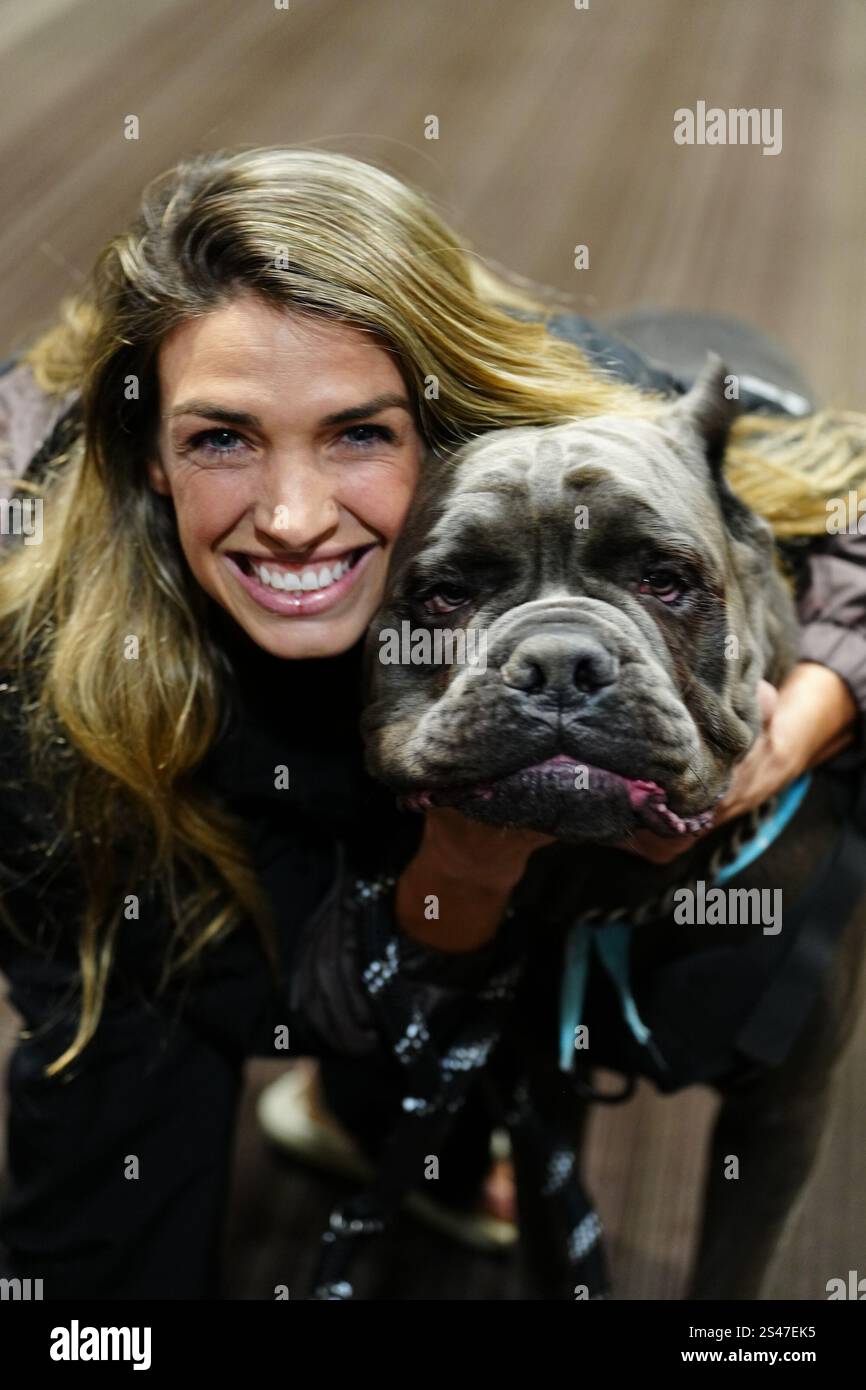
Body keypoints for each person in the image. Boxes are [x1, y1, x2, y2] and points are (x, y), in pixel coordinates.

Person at [0, 146, 863, 1299]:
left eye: (358, 433)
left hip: (344, 755)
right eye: (220, 438)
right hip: (118, 848)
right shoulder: (37, 638)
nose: (297, 517)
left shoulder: (566, 419)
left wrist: (784, 738)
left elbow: (836, 509)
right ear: (150, 460)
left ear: (442, 425)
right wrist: (465, 857)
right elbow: (323, 986)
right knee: (118, 1156)